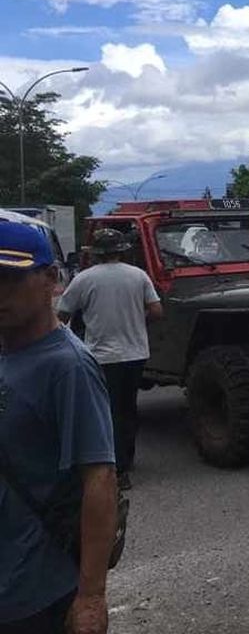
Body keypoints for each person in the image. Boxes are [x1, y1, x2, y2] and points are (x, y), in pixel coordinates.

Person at [0, 221, 117, 634]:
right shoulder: (8, 348)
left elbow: (99, 478)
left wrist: (90, 597)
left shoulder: (67, 367)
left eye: (9, 278)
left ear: (52, 279)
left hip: (34, 587)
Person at [57, 229, 163, 491]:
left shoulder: (85, 278)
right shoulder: (138, 275)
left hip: (102, 356)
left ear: (95, 253)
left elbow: (62, 314)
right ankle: (127, 456)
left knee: (108, 411)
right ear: (121, 250)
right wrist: (137, 323)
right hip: (136, 353)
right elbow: (157, 311)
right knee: (128, 407)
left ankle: (117, 468)